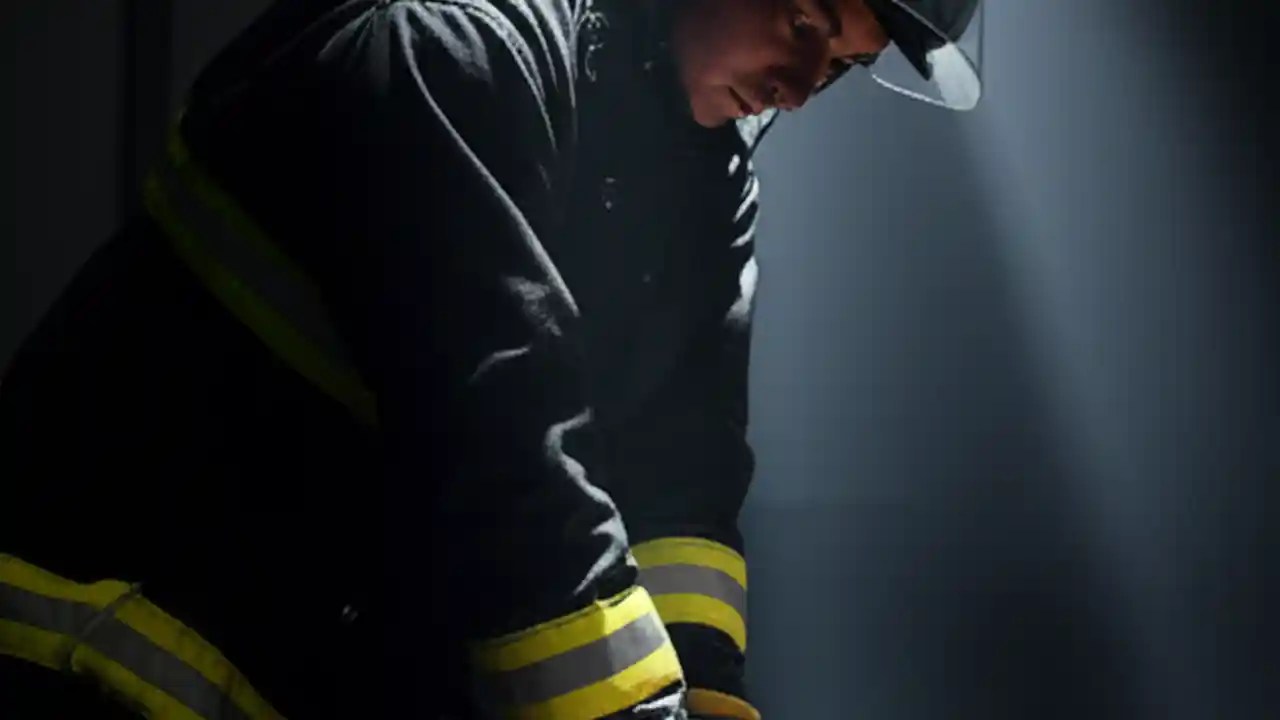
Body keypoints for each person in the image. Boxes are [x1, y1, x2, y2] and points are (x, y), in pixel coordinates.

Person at [0, 1, 983, 718]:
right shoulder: (448, 46)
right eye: (805, 21)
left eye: (840, 63)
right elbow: (509, 457)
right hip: (80, 652)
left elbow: (684, 475)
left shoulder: (697, 170)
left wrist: (705, 685)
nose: (801, 88)